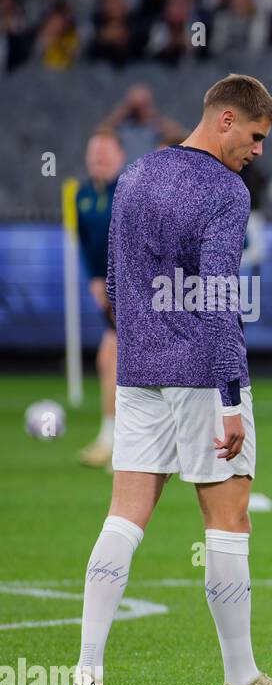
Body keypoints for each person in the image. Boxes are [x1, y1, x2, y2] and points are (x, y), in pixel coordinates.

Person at [70, 74, 272, 685]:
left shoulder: (137, 176)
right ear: (228, 120)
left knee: (123, 519)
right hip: (204, 378)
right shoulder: (224, 191)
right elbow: (218, 296)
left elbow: (121, 287)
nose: (259, 151)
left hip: (139, 372)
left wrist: (138, 347)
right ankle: (241, 678)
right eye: (257, 137)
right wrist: (232, 398)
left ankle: (87, 673)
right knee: (229, 523)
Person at [75, 130, 126, 469]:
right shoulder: (81, 195)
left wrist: (115, 280)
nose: (100, 160)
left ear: (120, 158)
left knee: (112, 360)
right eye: (95, 154)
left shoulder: (127, 192)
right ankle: (114, 439)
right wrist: (95, 278)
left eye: (106, 154)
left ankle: (116, 442)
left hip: (130, 286)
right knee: (109, 361)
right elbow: (86, 242)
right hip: (107, 288)